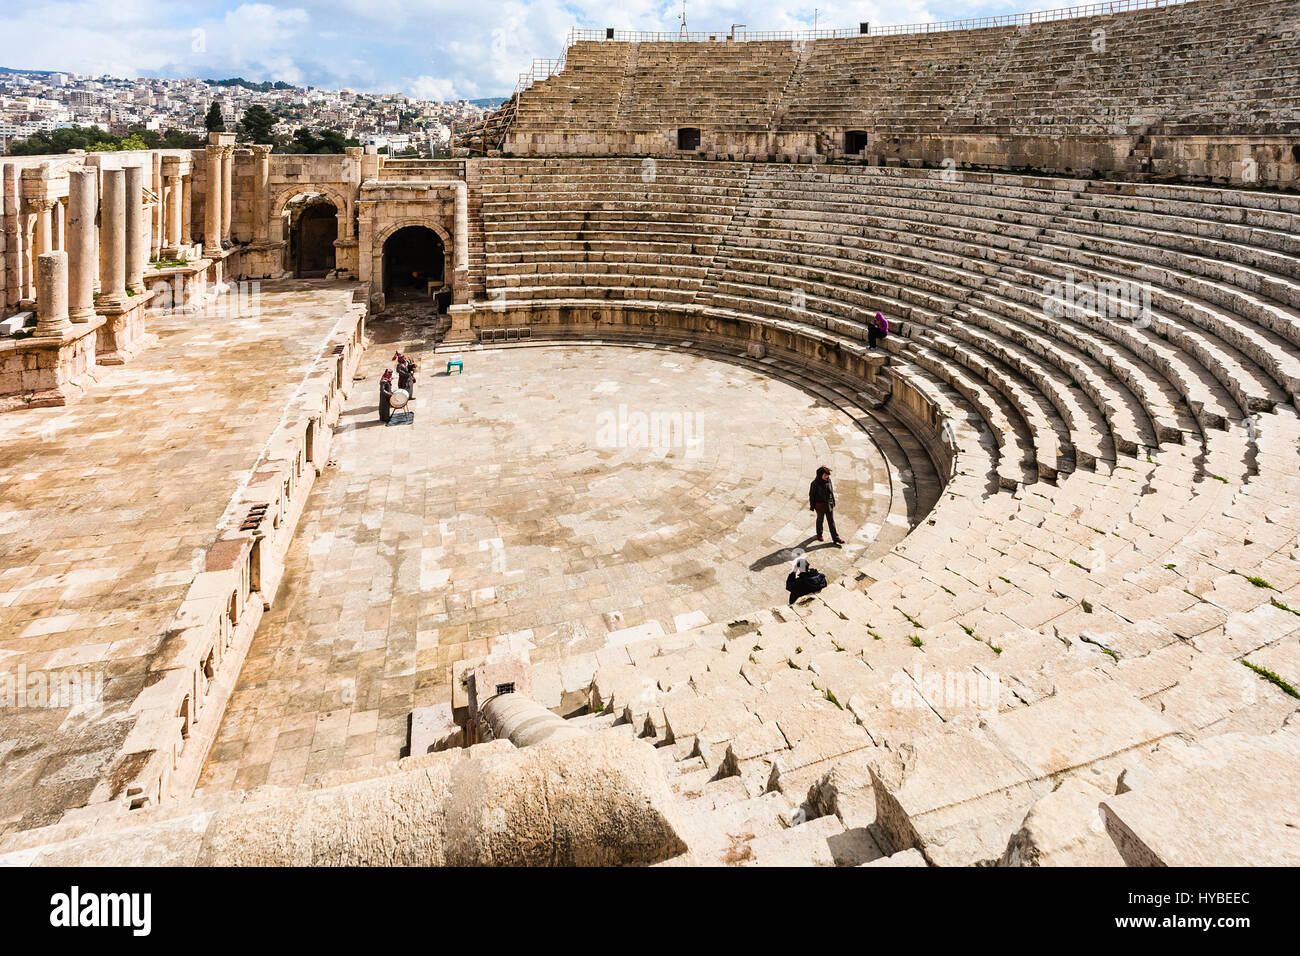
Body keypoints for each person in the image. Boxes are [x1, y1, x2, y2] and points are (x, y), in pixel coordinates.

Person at [809, 465, 845, 545]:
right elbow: (812, 496)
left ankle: (836, 538)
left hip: (829, 505)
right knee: (820, 520)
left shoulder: (828, 480)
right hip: (820, 506)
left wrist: (833, 502)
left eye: (827, 475)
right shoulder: (814, 484)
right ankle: (819, 534)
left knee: (831, 522)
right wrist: (812, 506)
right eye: (825, 475)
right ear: (820, 475)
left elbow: (831, 491)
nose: (827, 476)